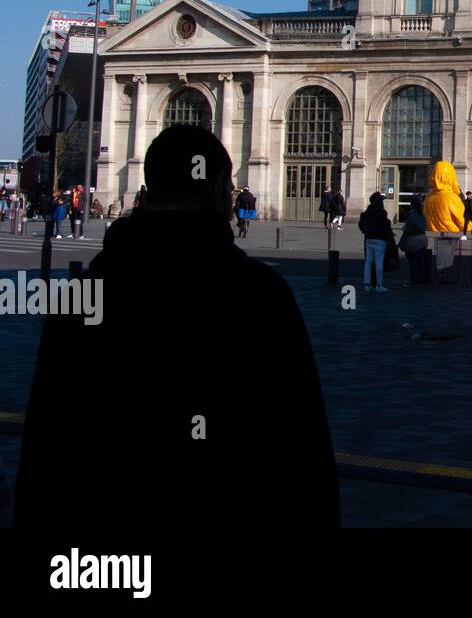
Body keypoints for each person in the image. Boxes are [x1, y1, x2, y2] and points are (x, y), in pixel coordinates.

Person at [15, 123, 339, 531]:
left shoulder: (85, 293)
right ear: (219, 188)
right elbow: (302, 451)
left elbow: (46, 442)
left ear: (147, 191)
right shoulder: (259, 295)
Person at [424, 161, 471, 280]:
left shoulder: (429, 197)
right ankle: (446, 273)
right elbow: (463, 221)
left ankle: (440, 272)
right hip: (451, 234)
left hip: (435, 233)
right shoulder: (451, 198)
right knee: (448, 259)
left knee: (440, 257)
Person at [358, 192, 394, 292]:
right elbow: (385, 226)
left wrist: (365, 231)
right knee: (379, 262)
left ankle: (367, 284)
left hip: (369, 238)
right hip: (380, 239)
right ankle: (379, 284)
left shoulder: (367, 212)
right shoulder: (382, 212)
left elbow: (361, 225)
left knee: (368, 261)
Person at [399, 194, 431, 286]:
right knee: (420, 260)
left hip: (414, 240)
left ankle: (414, 280)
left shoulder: (412, 215)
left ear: (412, 205)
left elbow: (408, 228)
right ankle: (421, 279)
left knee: (413, 261)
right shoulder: (422, 215)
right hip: (423, 239)